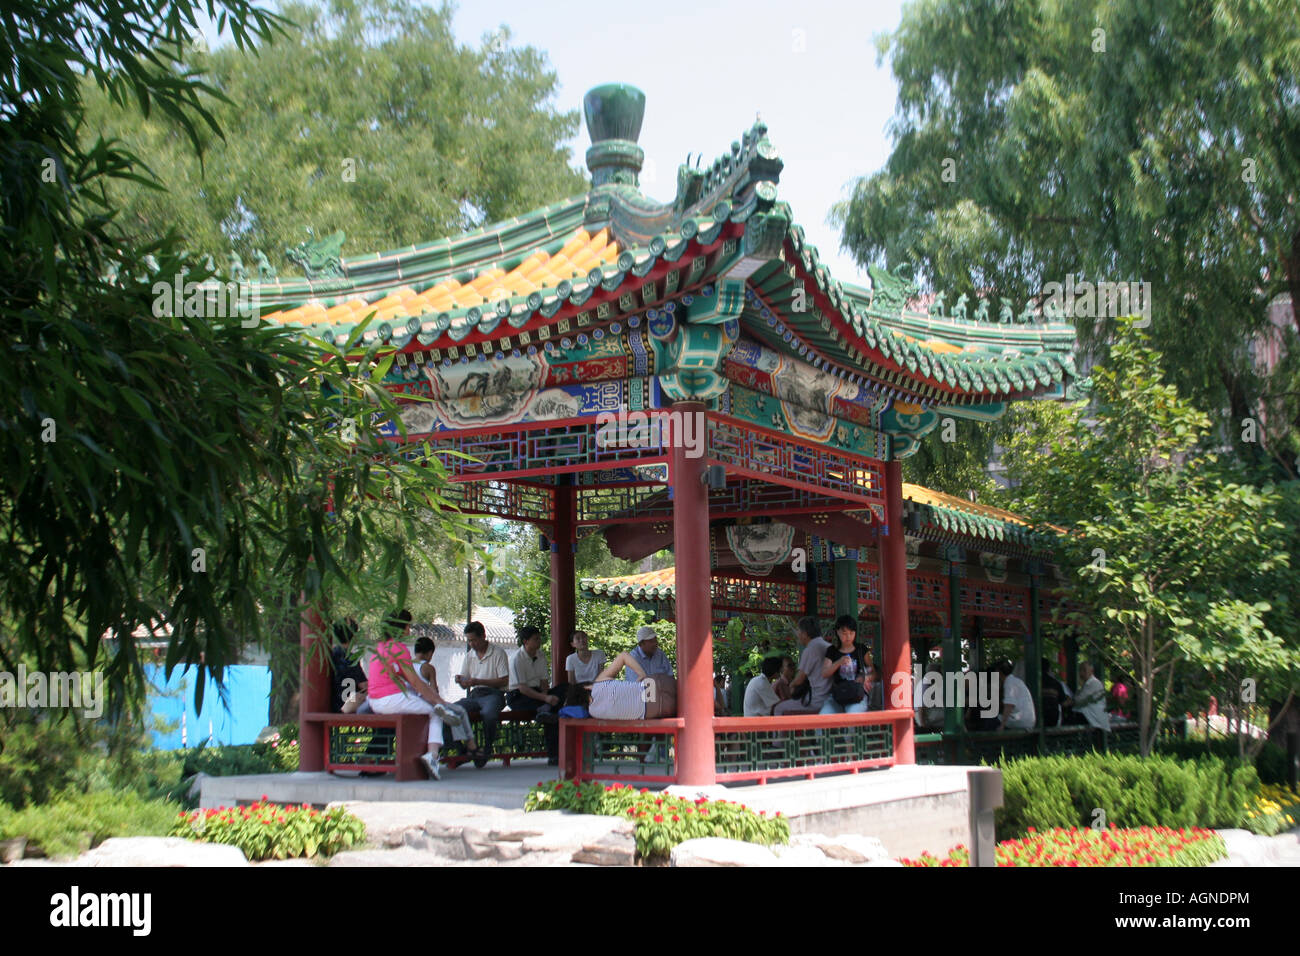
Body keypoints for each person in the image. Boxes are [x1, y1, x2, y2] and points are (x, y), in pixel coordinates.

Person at [365, 610, 455, 780]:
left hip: (375, 701)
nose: (409, 629)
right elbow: (416, 682)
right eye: (408, 625)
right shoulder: (399, 649)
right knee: (436, 711)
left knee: (426, 708)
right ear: (401, 627)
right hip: (390, 699)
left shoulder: (381, 646)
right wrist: (438, 700)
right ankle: (433, 756)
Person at [412, 636, 483, 762]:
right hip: (427, 703)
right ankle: (470, 746)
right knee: (459, 710)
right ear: (429, 653)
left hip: (411, 702)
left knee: (453, 713)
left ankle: (463, 746)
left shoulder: (408, 665)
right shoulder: (428, 668)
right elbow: (434, 691)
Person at [454, 621, 509, 767]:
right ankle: (464, 749)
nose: (471, 643)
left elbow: (504, 681)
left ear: (483, 636)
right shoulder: (469, 656)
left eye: (474, 640)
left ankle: (487, 747)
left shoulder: (498, 653)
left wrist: (478, 680)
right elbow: (466, 679)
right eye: (469, 640)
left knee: (489, 714)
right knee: (452, 711)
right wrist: (461, 680)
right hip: (475, 695)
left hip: (494, 694)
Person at [506, 626, 561, 765]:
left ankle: (544, 709)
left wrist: (545, 696)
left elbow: (544, 682)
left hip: (537, 693)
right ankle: (554, 755)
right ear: (526, 641)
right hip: (519, 696)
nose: (539, 641)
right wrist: (545, 699)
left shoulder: (540, 655)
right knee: (550, 715)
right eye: (535, 639)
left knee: (563, 691)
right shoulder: (517, 659)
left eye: (539, 638)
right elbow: (522, 688)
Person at [775, 616, 831, 715]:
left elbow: (800, 679)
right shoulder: (829, 646)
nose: (798, 634)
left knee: (779, 709)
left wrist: (791, 685)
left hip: (816, 700)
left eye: (798, 631)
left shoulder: (810, 649)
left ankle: (781, 731)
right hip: (830, 699)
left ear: (805, 634)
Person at [820, 614, 869, 715]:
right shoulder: (832, 651)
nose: (848, 637)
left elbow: (874, 672)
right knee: (823, 717)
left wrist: (866, 677)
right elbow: (824, 673)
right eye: (844, 633)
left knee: (853, 716)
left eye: (851, 633)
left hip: (857, 695)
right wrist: (839, 662)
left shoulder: (861, 649)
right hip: (838, 695)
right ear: (837, 632)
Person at [329, 618, 367, 714]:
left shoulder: (330, 655)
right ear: (354, 636)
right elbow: (364, 685)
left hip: (332, 703)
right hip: (347, 704)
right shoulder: (351, 658)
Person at [1067, 661, 1110, 731]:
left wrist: (1067, 702)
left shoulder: (1093, 683)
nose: (1081, 673)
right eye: (1080, 670)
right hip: (1090, 721)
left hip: (1094, 722)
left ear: (1091, 671)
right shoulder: (1085, 685)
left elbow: (1077, 700)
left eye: (1084, 670)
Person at [995, 659, 1036, 731]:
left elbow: (1009, 705)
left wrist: (1002, 725)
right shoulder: (1017, 681)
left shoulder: (1009, 683)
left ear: (999, 672)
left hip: (1021, 721)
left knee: (991, 720)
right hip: (1029, 721)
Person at [1040, 658, 1069, 727]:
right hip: (1052, 719)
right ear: (1049, 669)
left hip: (1036, 717)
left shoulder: (1030, 682)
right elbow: (1064, 703)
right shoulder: (1055, 683)